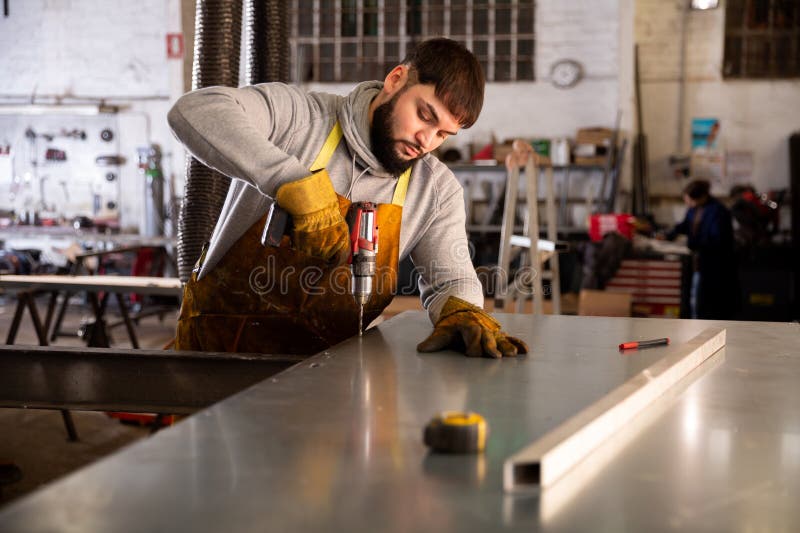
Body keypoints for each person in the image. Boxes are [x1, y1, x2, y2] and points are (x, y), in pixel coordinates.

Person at [168, 38, 527, 358]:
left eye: (443, 134)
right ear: (396, 79)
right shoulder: (299, 119)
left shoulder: (435, 188)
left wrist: (461, 309)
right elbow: (194, 110)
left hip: (330, 377)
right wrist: (288, 180)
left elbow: (451, 279)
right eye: (424, 115)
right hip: (217, 361)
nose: (426, 141)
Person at [665, 179, 739, 319]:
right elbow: (686, 224)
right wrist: (669, 234)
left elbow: (718, 240)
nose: (689, 205)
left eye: (690, 201)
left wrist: (693, 243)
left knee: (705, 302)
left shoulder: (718, 211)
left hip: (715, 265)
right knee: (694, 298)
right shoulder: (695, 208)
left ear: (702, 197)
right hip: (698, 261)